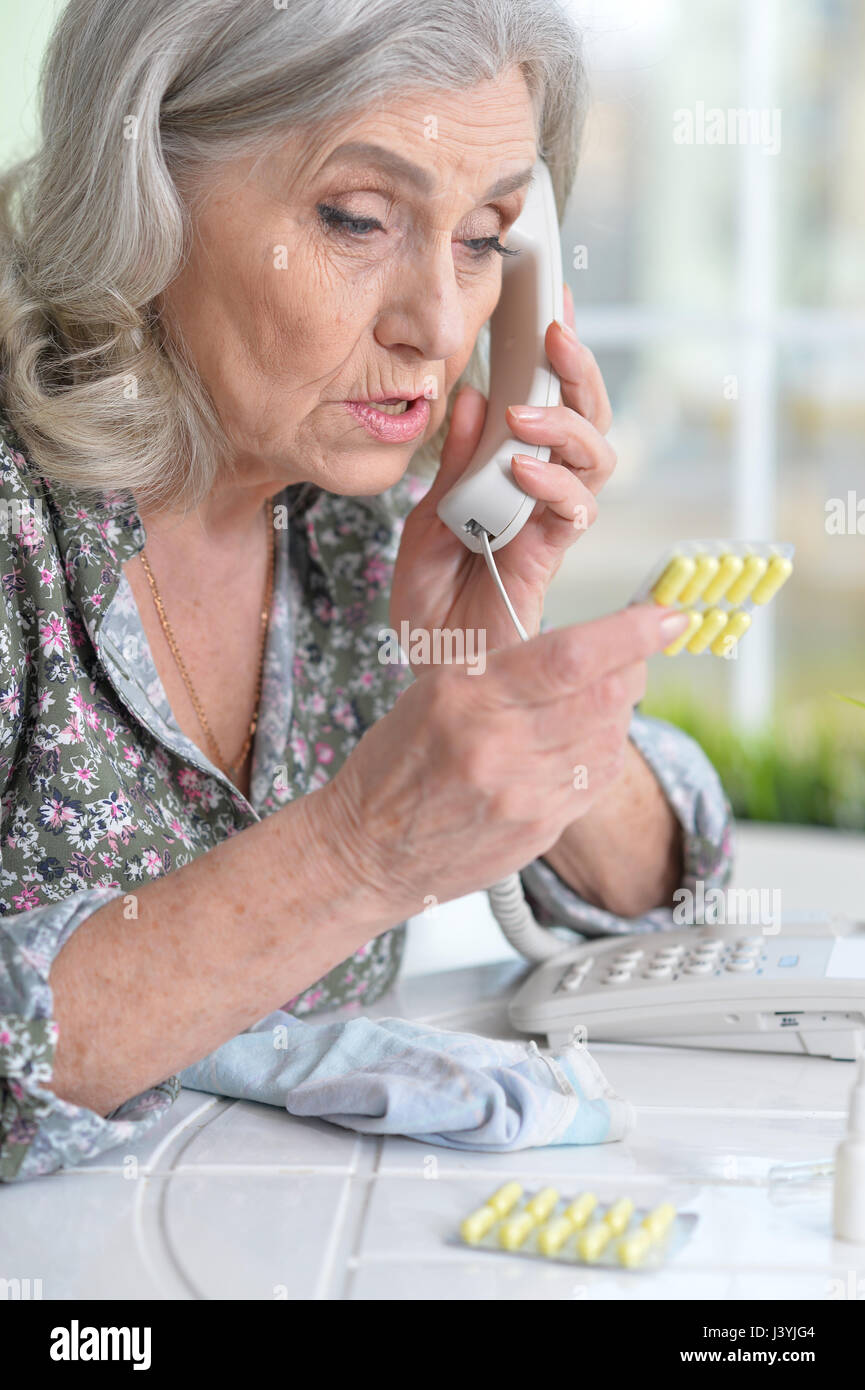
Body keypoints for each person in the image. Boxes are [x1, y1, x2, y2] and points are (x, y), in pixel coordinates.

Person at [0, 0, 731, 1181]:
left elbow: (673, 892)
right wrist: (355, 854)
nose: (440, 327)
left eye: (487, 237)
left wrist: (498, 674)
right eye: (357, 220)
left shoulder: (367, 516)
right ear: (141, 194)